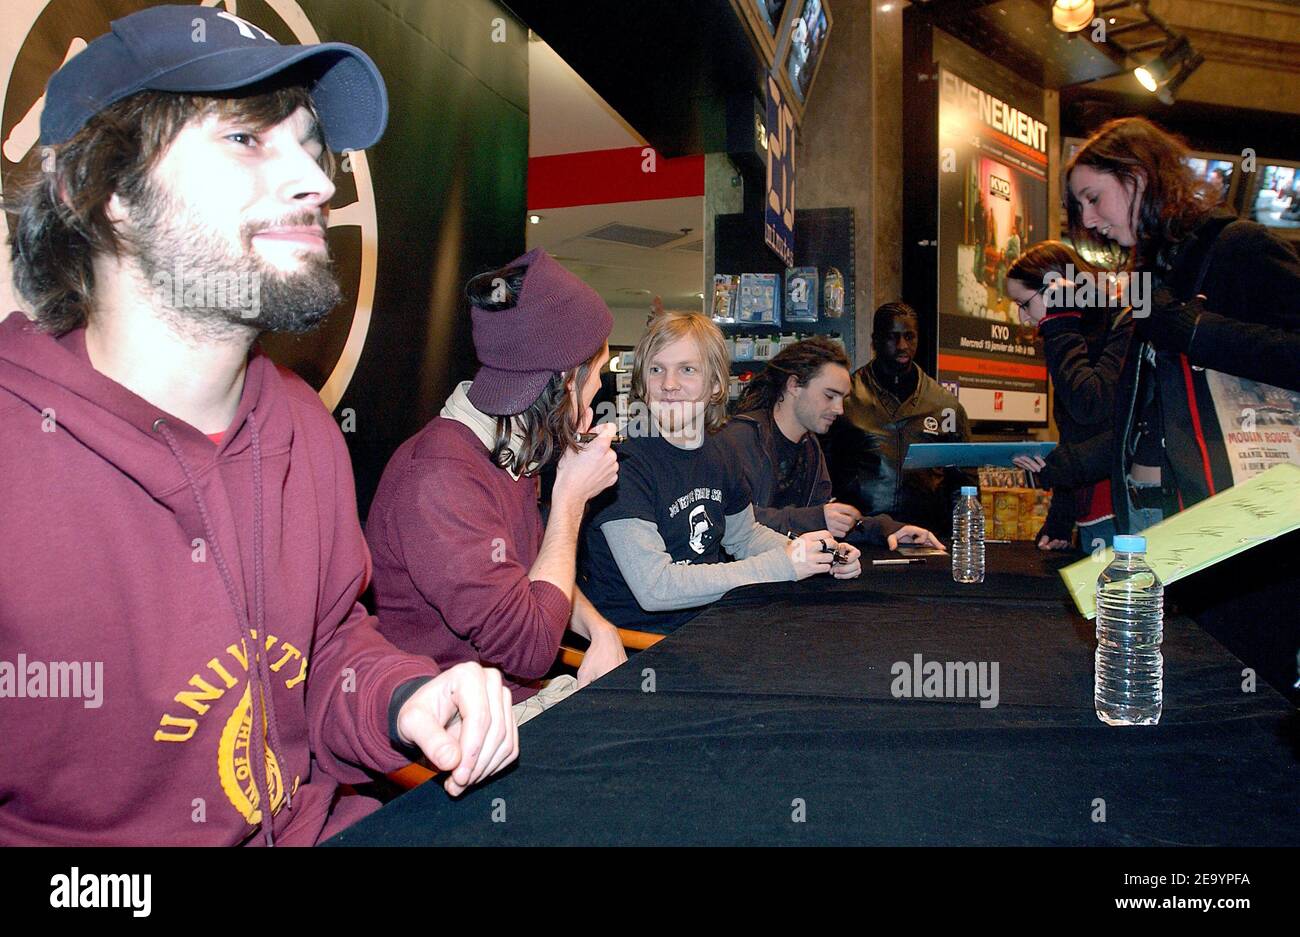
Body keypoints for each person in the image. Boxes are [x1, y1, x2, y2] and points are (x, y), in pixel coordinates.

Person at [0, 5, 517, 846]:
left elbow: (322, 648)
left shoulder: (303, 428)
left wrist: (399, 694)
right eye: (247, 139)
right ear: (97, 192)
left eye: (312, 145)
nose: (318, 182)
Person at [367, 249, 627, 723]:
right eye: (598, 376)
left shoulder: (507, 448)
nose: (598, 393)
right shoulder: (440, 480)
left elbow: (529, 576)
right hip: (462, 733)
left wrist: (598, 626)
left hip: (514, 706)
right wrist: (570, 498)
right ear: (568, 380)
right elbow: (529, 651)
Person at [1025, 116, 1300, 532]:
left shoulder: (1237, 246)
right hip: (1161, 512)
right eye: (1080, 206)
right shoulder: (1155, 276)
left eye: (1094, 198)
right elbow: (1138, 415)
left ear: (1136, 177)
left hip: (1244, 515)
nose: (1091, 219)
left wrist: (1189, 327)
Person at [581, 312, 861, 634]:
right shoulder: (624, 461)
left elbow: (744, 536)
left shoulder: (720, 451)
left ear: (715, 385)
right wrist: (784, 564)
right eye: (656, 369)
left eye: (687, 370)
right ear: (642, 383)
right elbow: (655, 587)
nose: (668, 385)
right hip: (640, 645)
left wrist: (814, 552)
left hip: (705, 626)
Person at [721, 336, 944, 551]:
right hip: (743, 584)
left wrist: (885, 529)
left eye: (842, 399)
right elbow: (727, 520)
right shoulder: (740, 439)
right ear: (794, 385)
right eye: (830, 396)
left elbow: (827, 521)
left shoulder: (810, 448)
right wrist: (815, 519)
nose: (839, 409)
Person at [1006, 242, 1133, 551]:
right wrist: (1061, 517)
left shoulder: (1124, 322)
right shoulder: (1072, 335)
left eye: (1025, 303)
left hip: (1130, 515)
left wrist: (1060, 321)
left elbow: (1090, 406)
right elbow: (1075, 432)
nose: (1023, 318)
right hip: (1093, 516)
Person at [825, 302, 975, 537]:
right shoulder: (846, 399)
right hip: (858, 535)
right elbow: (819, 467)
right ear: (875, 341)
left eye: (909, 337)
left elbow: (963, 481)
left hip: (926, 536)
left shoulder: (944, 405)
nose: (902, 346)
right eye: (892, 337)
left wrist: (965, 537)